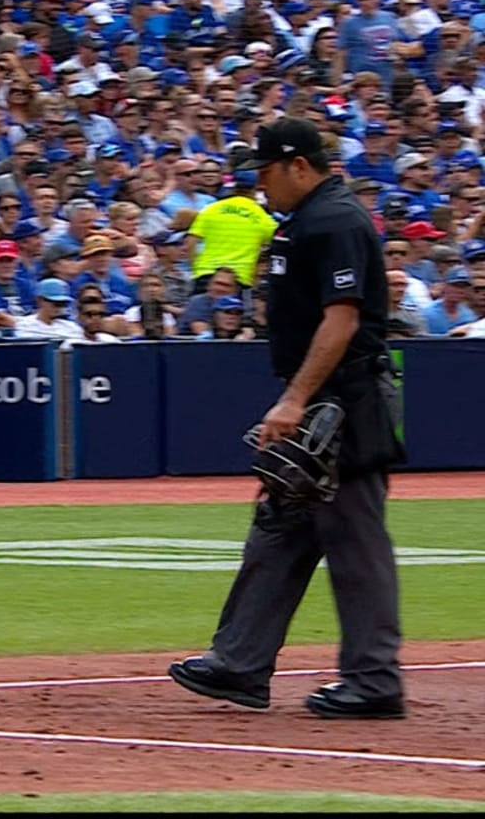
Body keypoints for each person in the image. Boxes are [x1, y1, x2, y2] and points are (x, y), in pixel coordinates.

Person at [169, 117, 406, 721]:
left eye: (267, 172)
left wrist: (296, 398)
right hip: (318, 396)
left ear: (300, 165)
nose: (260, 186)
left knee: (354, 539)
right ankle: (240, 662)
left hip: (344, 398)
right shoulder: (306, 221)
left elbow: (343, 317)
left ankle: (374, 680)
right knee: (279, 527)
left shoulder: (336, 221)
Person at [184, 169, 278, 292]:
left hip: (205, 274)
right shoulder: (263, 217)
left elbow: (191, 242)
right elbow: (276, 243)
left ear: (234, 187)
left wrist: (196, 268)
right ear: (255, 189)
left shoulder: (211, 209)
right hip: (239, 279)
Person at [14, 278, 86, 344]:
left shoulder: (72, 327)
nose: (59, 308)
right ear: (40, 300)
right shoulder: (25, 325)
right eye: (56, 303)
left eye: (63, 303)